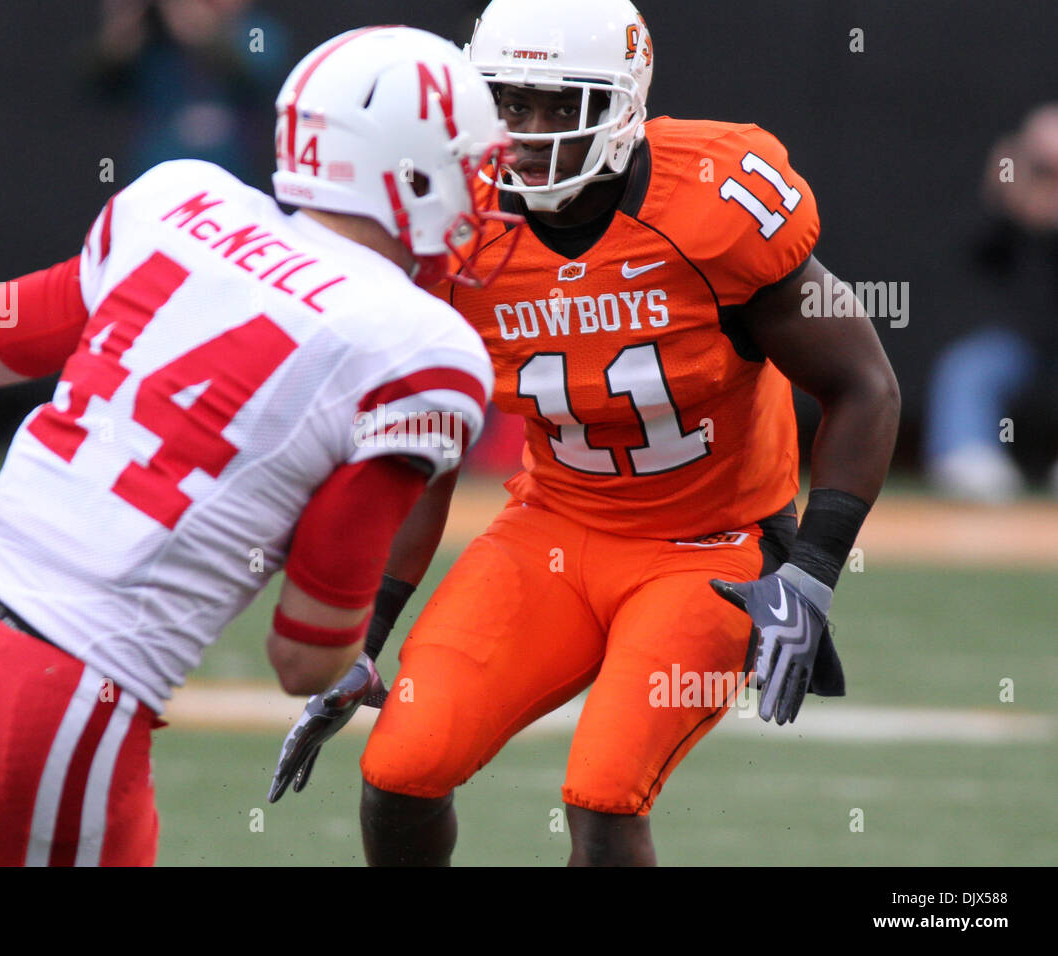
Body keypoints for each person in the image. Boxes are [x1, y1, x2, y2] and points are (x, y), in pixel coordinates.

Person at [0, 25, 519, 866]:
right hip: (51, 703)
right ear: (411, 176)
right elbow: (304, 652)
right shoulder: (415, 348)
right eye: (474, 169)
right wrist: (351, 662)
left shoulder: (184, 206)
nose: (486, 195)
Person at [270, 0, 901, 866]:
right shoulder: (457, 221)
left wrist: (814, 571)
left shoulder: (713, 202)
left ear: (624, 107)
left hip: (711, 547)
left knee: (604, 800)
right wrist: (362, 637)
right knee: (401, 770)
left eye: (561, 106)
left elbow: (864, 385)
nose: (529, 133)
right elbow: (425, 454)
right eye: (511, 104)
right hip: (553, 530)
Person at [924, 104, 1058, 503]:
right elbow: (973, 257)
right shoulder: (1008, 218)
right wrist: (1007, 196)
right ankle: (968, 457)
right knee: (967, 366)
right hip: (1021, 346)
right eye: (1042, 167)